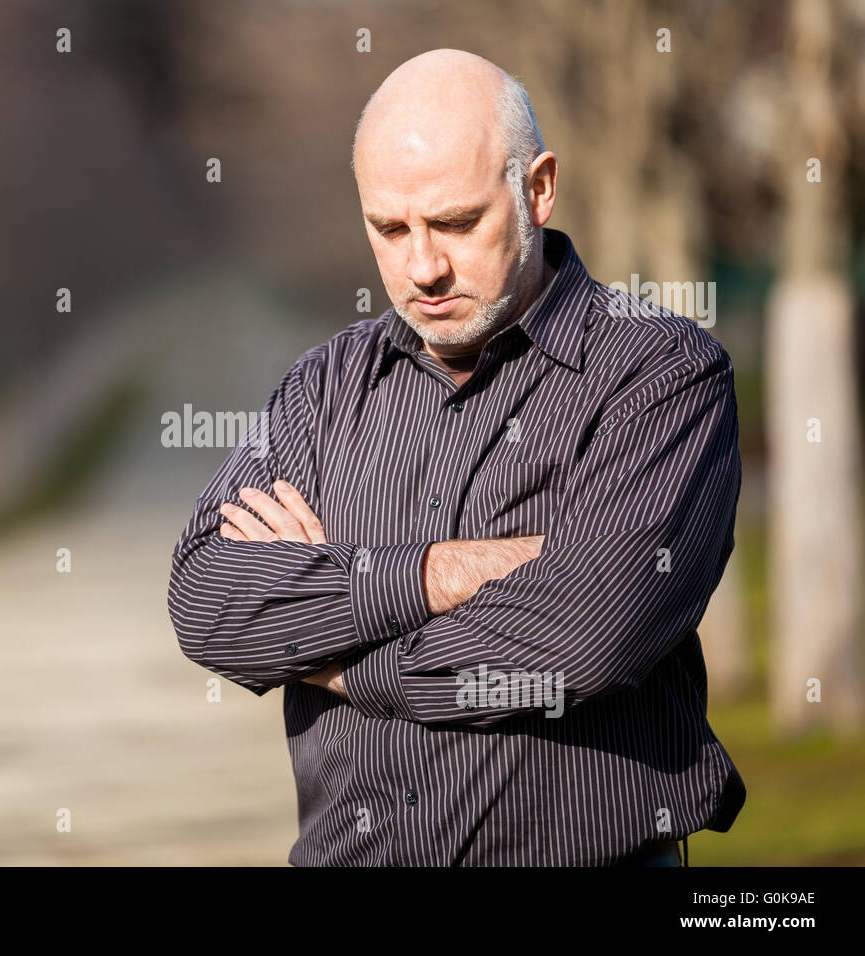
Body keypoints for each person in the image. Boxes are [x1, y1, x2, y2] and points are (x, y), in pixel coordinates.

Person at [166, 49, 744, 866]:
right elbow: (205, 599)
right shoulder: (324, 386)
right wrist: (443, 573)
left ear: (537, 188)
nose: (423, 267)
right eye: (390, 229)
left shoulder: (661, 375)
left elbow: (583, 640)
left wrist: (338, 652)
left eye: (457, 223)